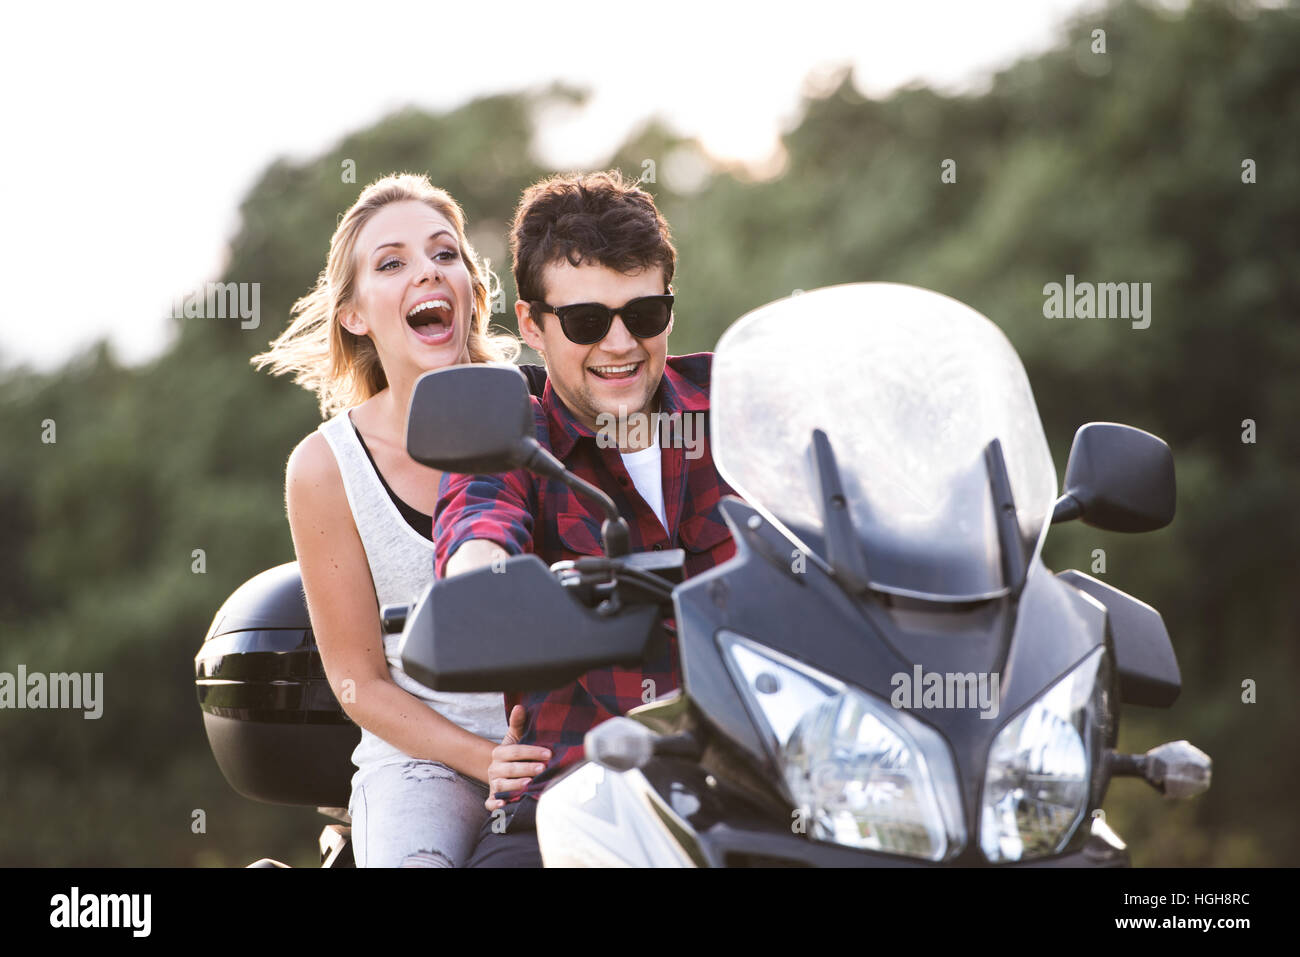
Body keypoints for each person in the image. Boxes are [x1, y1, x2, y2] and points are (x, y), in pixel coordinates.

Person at [434, 170, 739, 867]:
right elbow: (478, 519)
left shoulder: (742, 402)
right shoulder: (512, 436)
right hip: (582, 801)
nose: (620, 343)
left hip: (769, 776)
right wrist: (480, 586)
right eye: (586, 321)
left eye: (644, 314)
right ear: (534, 325)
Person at [250, 173, 551, 867]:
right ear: (354, 313)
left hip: (553, 745)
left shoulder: (543, 414)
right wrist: (484, 756)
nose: (428, 272)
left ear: (472, 289)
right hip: (420, 761)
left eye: (446, 255)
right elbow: (360, 681)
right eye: (392, 263)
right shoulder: (325, 467)